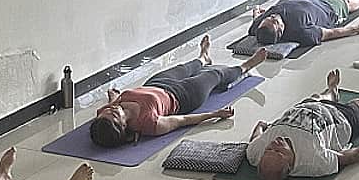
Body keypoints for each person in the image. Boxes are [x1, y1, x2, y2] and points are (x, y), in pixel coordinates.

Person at [90, 35, 265, 147]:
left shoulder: (104, 112)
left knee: (187, 67)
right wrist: (214, 114)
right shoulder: (148, 124)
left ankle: (203, 58)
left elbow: (112, 105)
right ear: (123, 126)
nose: (111, 110)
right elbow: (182, 120)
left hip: (156, 83)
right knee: (215, 74)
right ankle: (245, 66)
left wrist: (114, 98)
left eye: (107, 112)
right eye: (114, 115)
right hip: (183, 96)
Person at [248, 70, 359, 180]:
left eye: (269, 149)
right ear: (291, 166)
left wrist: (260, 126)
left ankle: (332, 91)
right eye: (279, 152)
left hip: (305, 107)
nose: (275, 143)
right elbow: (343, 158)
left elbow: (255, 138)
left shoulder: (255, 153)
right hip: (339, 118)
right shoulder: (313, 161)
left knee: (317, 97)